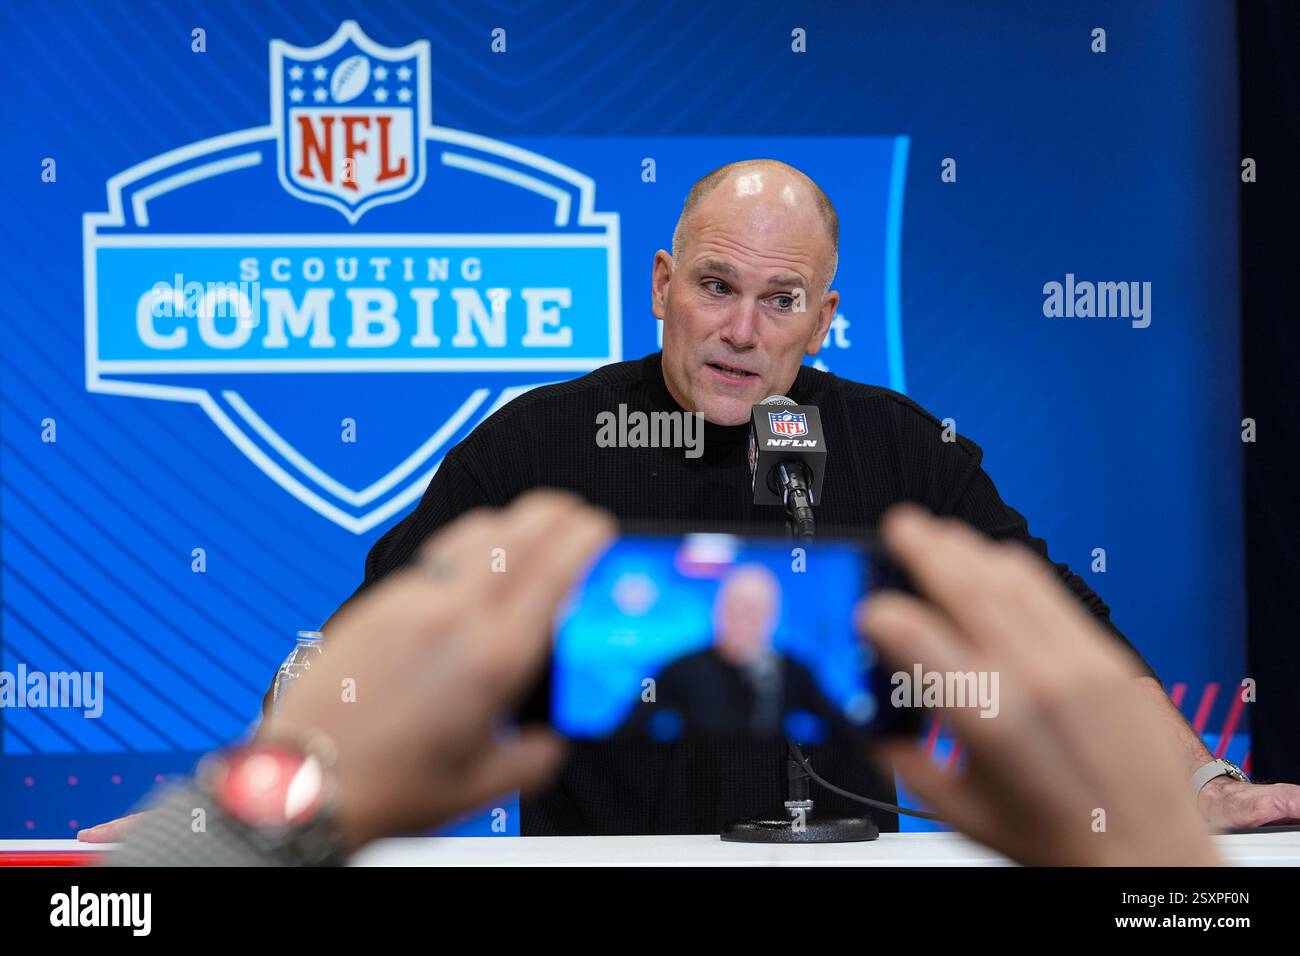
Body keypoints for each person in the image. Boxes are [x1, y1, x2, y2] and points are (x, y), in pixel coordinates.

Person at [107, 495, 1226, 866]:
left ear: (828, 313)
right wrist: (271, 783)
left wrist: (1194, 782)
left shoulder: (903, 450)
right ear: (662, 283)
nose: (743, 328)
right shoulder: (531, 443)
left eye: (782, 299)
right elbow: (371, 640)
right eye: (715, 287)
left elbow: (1068, 627)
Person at [616, 564, 852, 742]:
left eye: (754, 611)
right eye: (735, 607)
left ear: (772, 618)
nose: (742, 619)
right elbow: (627, 731)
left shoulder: (793, 672)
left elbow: (847, 732)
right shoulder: (679, 669)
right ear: (718, 610)